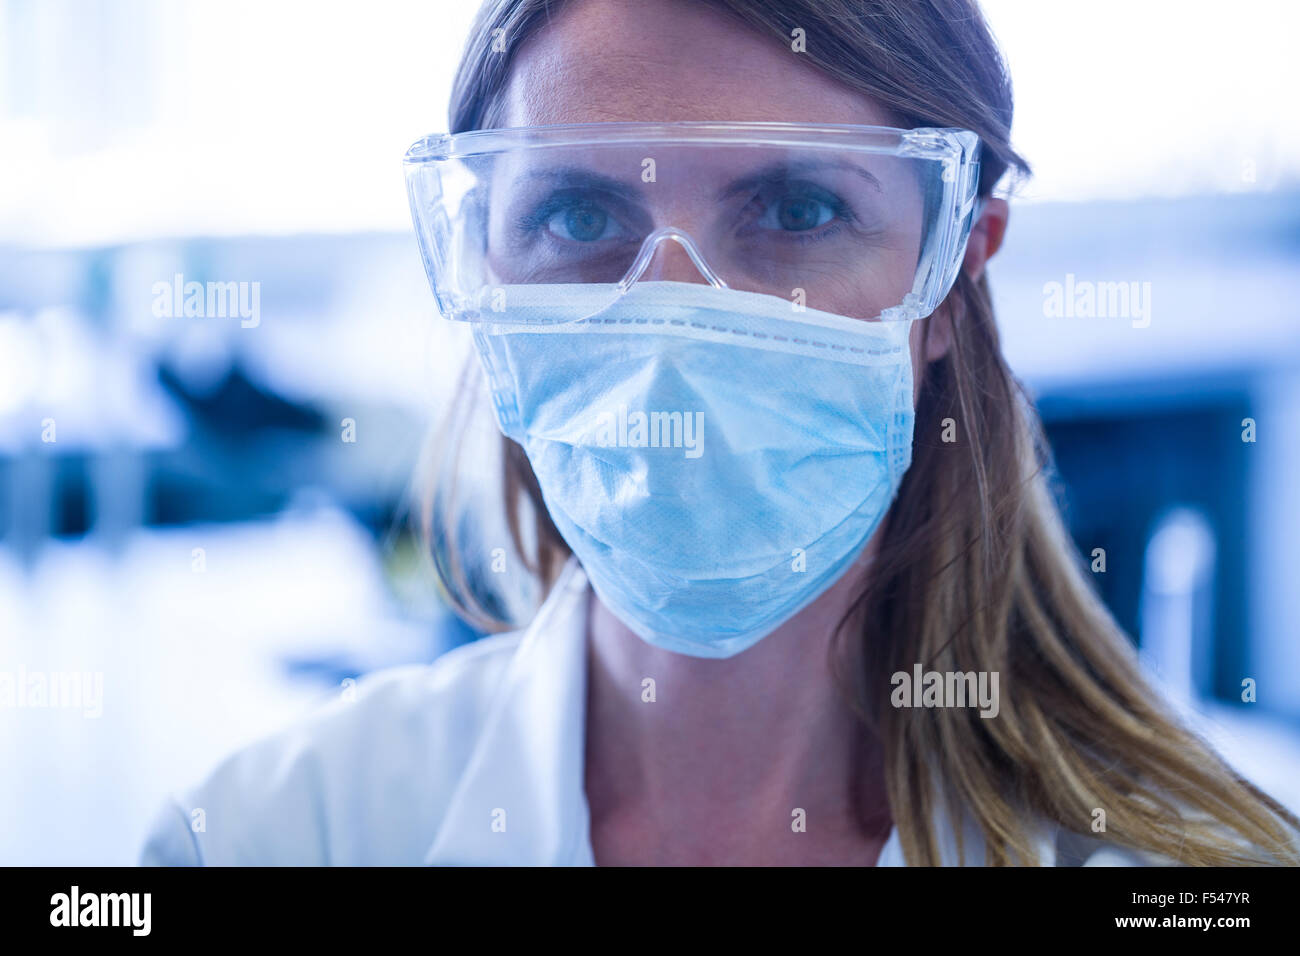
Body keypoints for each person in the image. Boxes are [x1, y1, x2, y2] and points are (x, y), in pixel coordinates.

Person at [141, 0, 1300, 866]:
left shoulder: (1194, 871)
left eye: (798, 210)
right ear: (486, 261)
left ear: (950, 271)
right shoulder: (271, 834)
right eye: (582, 214)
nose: (673, 335)